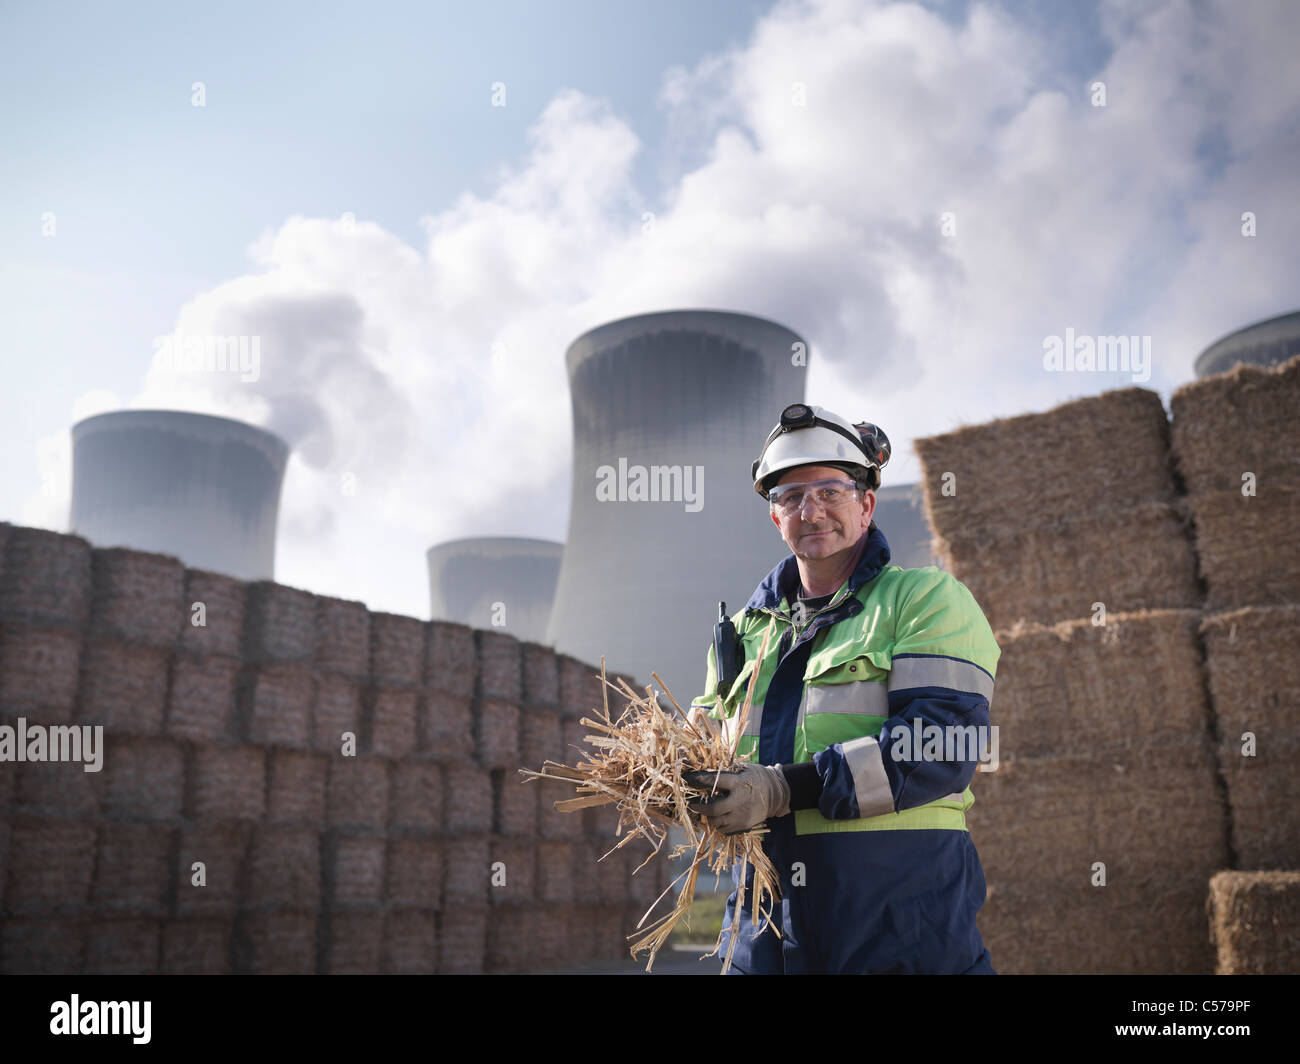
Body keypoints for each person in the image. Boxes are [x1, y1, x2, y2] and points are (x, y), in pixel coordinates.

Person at [685, 402, 1000, 974]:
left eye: (830, 491)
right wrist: (672, 783)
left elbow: (939, 748)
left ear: (867, 504)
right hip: (763, 929)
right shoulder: (738, 636)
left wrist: (784, 790)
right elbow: (702, 748)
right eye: (791, 496)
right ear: (774, 517)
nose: (812, 511)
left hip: (898, 923)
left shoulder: (923, 601)